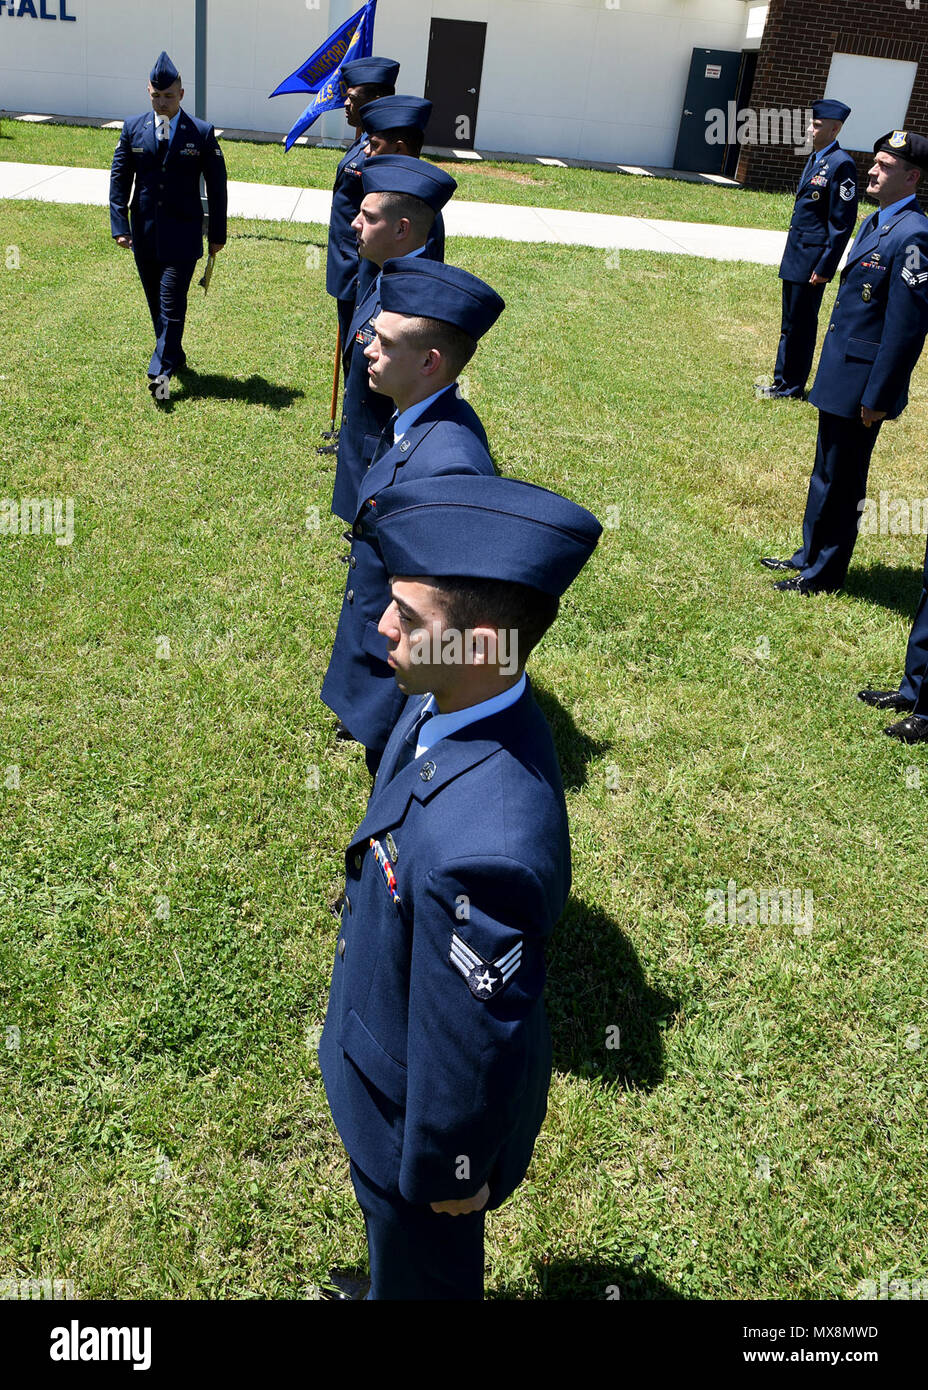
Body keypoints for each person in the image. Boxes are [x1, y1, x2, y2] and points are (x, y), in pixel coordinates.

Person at [318, 473, 603, 1300]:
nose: (381, 626)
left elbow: (476, 1038)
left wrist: (451, 1169)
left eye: (407, 618)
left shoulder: (489, 847)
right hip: (385, 1041)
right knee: (394, 1260)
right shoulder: (448, 699)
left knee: (425, 1270)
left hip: (416, 1132)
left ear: (478, 645)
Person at [321, 258, 505, 774]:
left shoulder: (448, 465)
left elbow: (443, 613)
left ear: (429, 362)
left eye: (384, 342)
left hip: (402, 676)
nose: (367, 350)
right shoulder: (417, 415)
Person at [763, 130, 928, 594]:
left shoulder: (915, 236)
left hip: (863, 386)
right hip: (842, 371)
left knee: (843, 482)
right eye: (874, 163)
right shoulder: (877, 222)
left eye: (885, 167)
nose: (872, 172)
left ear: (912, 177)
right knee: (825, 472)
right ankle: (808, 554)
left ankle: (824, 574)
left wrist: (879, 397)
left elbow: (907, 329)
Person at [330, 155, 457, 523]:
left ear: (402, 229)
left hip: (386, 469)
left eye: (368, 218)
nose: (354, 224)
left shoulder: (415, 302)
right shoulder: (384, 274)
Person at [109, 51, 227, 402]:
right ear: (148, 91)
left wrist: (216, 235)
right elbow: (119, 179)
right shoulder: (133, 128)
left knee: (172, 303)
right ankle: (174, 353)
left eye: (169, 96)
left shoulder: (201, 133)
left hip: (184, 234)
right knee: (157, 307)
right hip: (143, 233)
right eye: (156, 96)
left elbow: (217, 187)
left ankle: (160, 374)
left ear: (182, 93)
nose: (162, 103)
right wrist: (120, 224)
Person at [759, 99, 857, 402]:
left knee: (801, 325)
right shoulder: (817, 158)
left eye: (816, 125)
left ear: (834, 128)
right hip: (797, 255)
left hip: (812, 261)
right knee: (789, 324)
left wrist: (826, 266)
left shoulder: (842, 164)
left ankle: (792, 386)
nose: (809, 129)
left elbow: (841, 223)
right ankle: (781, 382)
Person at [325, 57, 400, 352]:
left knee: (361, 353)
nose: (345, 103)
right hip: (348, 267)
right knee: (350, 351)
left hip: (361, 271)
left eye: (352, 97)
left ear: (376, 101)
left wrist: (362, 275)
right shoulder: (364, 141)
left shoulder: (380, 147)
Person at [354, 96, 446, 303]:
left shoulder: (418, 206)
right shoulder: (385, 192)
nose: (366, 150)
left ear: (399, 149)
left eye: (374, 144)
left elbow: (417, 286)